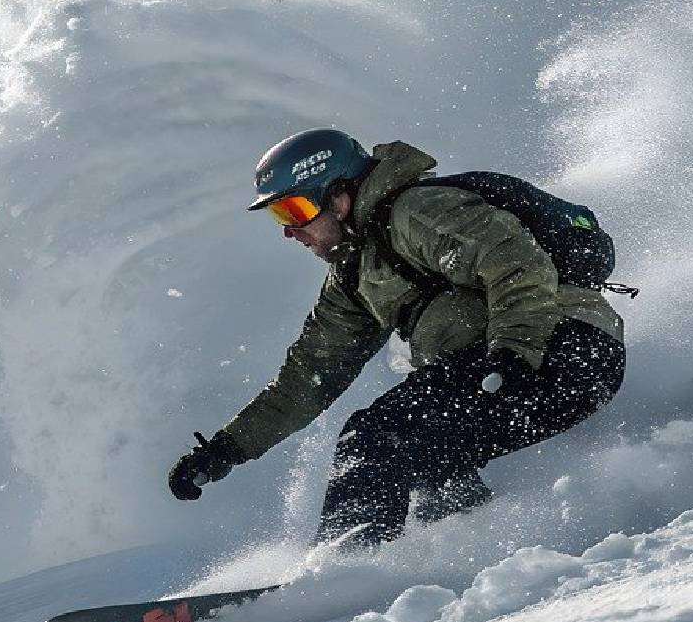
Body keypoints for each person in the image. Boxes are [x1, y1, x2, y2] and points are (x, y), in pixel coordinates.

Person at [168, 128, 627, 548]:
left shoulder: (417, 213)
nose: (291, 231)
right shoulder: (355, 275)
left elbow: (516, 263)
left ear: (340, 196)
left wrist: (512, 353)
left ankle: (347, 565)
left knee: (375, 436)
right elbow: (309, 376)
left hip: (562, 352)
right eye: (277, 215)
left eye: (296, 209)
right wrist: (226, 448)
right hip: (510, 368)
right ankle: (459, 558)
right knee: (432, 473)